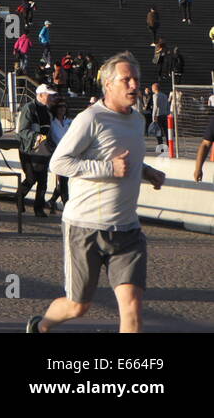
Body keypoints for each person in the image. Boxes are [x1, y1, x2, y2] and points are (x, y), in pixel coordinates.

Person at [27, 52, 165, 334]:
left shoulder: (138, 120)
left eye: (136, 79)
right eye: (126, 79)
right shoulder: (90, 119)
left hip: (127, 229)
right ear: (108, 85)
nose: (133, 85)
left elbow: (124, 158)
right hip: (85, 227)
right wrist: (107, 168)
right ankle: (41, 326)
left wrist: (146, 170)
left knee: (132, 306)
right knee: (78, 305)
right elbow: (60, 162)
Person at [15, 84, 55, 216]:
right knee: (31, 178)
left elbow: (49, 131)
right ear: (41, 95)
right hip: (28, 149)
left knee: (43, 180)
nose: (52, 98)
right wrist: (36, 136)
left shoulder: (48, 111)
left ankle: (39, 208)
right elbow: (23, 130)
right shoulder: (29, 108)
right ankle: (19, 198)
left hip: (43, 149)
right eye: (49, 95)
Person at [47, 99, 72, 211]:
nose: (62, 109)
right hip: (58, 154)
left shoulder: (69, 122)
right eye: (60, 107)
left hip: (70, 153)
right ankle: (66, 204)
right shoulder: (52, 123)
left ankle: (52, 201)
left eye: (64, 107)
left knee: (64, 180)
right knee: (62, 180)